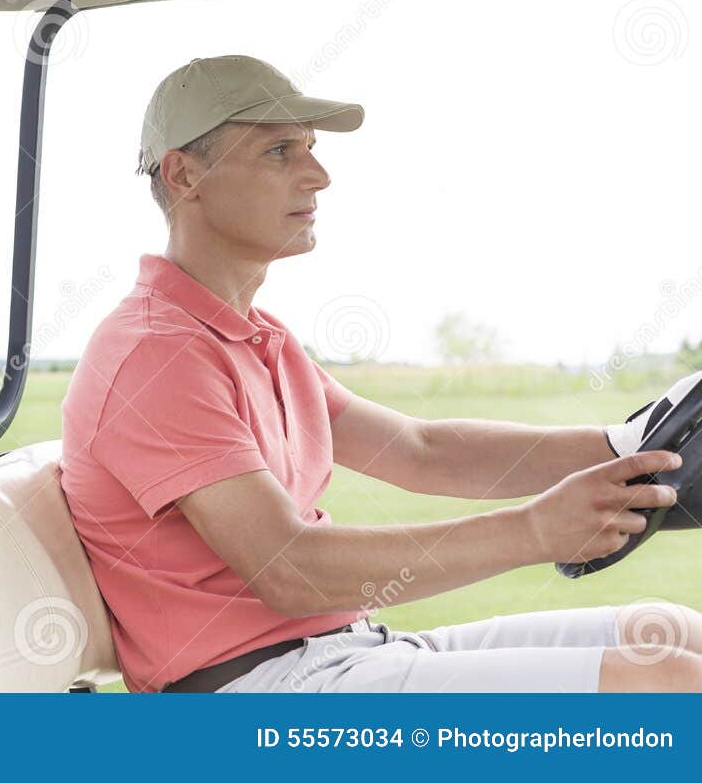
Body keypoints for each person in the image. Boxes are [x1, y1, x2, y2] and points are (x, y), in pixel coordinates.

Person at [59, 54, 700, 693]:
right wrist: (533, 531)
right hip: (257, 692)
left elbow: (420, 451)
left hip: (343, 650)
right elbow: (289, 569)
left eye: (310, 149)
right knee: (662, 683)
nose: (319, 176)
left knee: (671, 631)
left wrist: (626, 444)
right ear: (185, 175)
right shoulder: (155, 353)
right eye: (279, 152)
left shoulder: (254, 338)